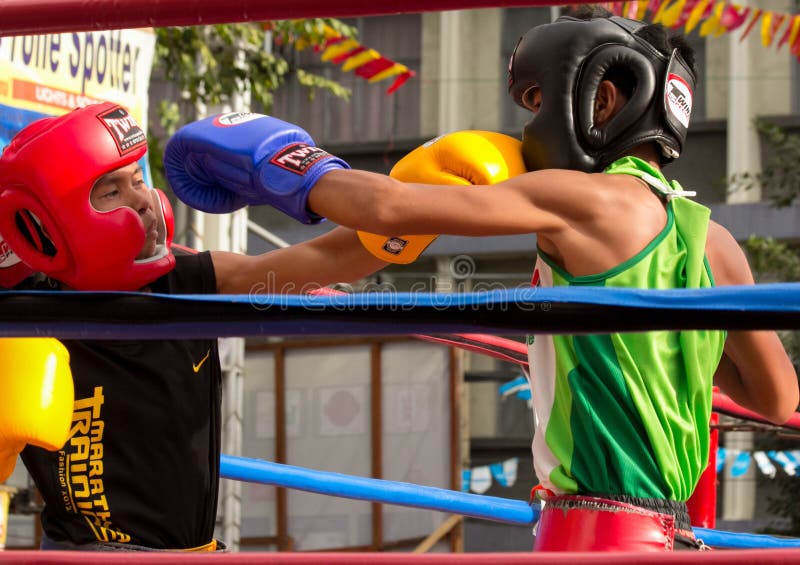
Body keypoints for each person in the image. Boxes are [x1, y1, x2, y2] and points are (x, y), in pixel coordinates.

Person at [164, 7, 799, 552]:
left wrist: (281, 159)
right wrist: (656, 336)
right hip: (676, 535)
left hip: (591, 535)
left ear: (601, 99)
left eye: (538, 102)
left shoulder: (580, 201)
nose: (528, 127)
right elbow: (776, 400)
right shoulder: (715, 242)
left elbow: (384, 211)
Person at [0, 101, 389, 551]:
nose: (143, 201)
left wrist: (416, 212)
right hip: (84, 558)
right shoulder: (26, 311)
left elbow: (327, 260)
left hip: (193, 553)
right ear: (53, 223)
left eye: (138, 179)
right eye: (111, 192)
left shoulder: (183, 278)